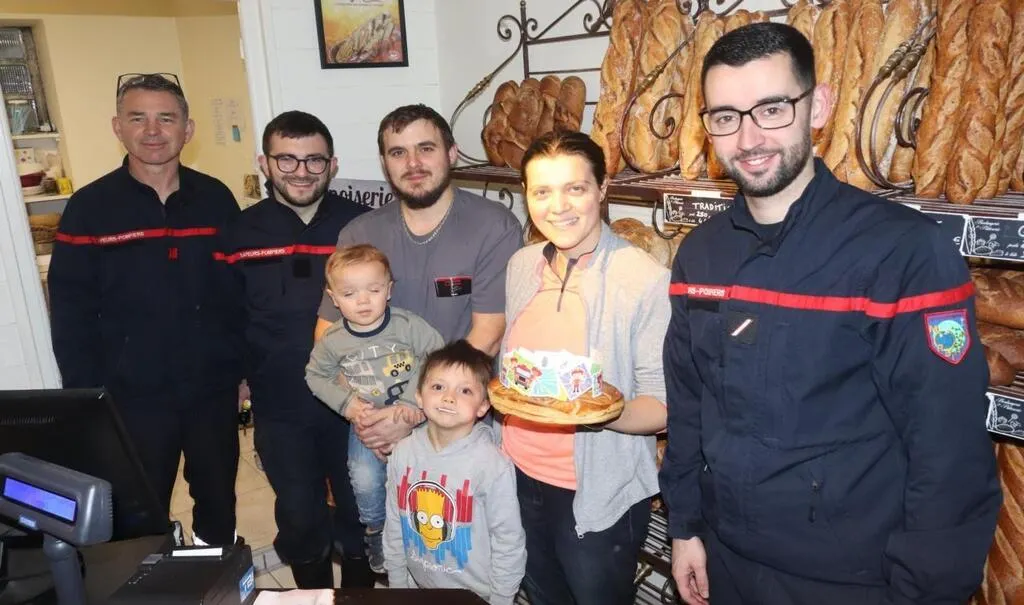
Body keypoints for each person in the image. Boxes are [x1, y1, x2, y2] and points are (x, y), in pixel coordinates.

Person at [660, 23, 1001, 605]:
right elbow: (690, 404)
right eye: (725, 117)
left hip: (850, 579)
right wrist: (686, 525)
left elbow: (948, 451)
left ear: (817, 106)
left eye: (771, 109)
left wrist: (923, 593)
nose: (748, 138)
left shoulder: (903, 252)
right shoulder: (701, 253)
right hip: (728, 560)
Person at [49, 73, 243, 546]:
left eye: (166, 118)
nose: (152, 130)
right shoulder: (89, 207)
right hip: (129, 396)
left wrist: (243, 371)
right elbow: (70, 308)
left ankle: (214, 577)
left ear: (188, 129)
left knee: (218, 501)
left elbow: (240, 293)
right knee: (137, 510)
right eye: (138, 118)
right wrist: (86, 396)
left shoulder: (216, 199)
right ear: (118, 126)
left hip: (211, 390)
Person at [500, 130, 670, 605]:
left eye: (575, 188)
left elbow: (662, 407)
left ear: (602, 189)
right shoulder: (521, 264)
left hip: (594, 493)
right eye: (541, 191)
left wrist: (593, 409)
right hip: (515, 474)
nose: (558, 206)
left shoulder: (644, 280)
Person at [217, 111, 373, 587]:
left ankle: (361, 595)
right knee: (301, 516)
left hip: (356, 402)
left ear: (333, 164)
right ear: (265, 162)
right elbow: (229, 316)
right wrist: (239, 381)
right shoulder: (239, 234)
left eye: (314, 160)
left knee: (360, 514)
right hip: (280, 403)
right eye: (287, 159)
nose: (301, 171)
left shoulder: (361, 225)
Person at [314, 104, 521, 457]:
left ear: (452, 153)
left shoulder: (493, 226)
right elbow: (327, 334)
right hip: (377, 415)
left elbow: (486, 337)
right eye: (398, 152)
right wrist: (371, 416)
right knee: (380, 510)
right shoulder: (360, 233)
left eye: (426, 148)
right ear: (385, 163)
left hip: (459, 418)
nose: (413, 164)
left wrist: (412, 413)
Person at [306, 244, 444, 573]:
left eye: (374, 289)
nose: (363, 300)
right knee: (364, 476)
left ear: (389, 290)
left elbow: (438, 357)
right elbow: (315, 375)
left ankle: (425, 530)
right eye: (350, 293)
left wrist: (413, 402)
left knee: (424, 476)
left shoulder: (408, 325)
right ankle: (376, 529)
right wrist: (348, 405)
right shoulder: (334, 340)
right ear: (333, 298)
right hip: (366, 423)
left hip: (416, 418)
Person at [382, 340, 526, 605]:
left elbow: (509, 542)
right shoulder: (402, 453)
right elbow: (394, 526)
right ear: (419, 396)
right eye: (438, 387)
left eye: (465, 391)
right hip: (418, 588)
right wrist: (398, 587)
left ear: (484, 406)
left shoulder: (492, 465)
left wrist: (501, 600)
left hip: (477, 596)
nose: (449, 397)